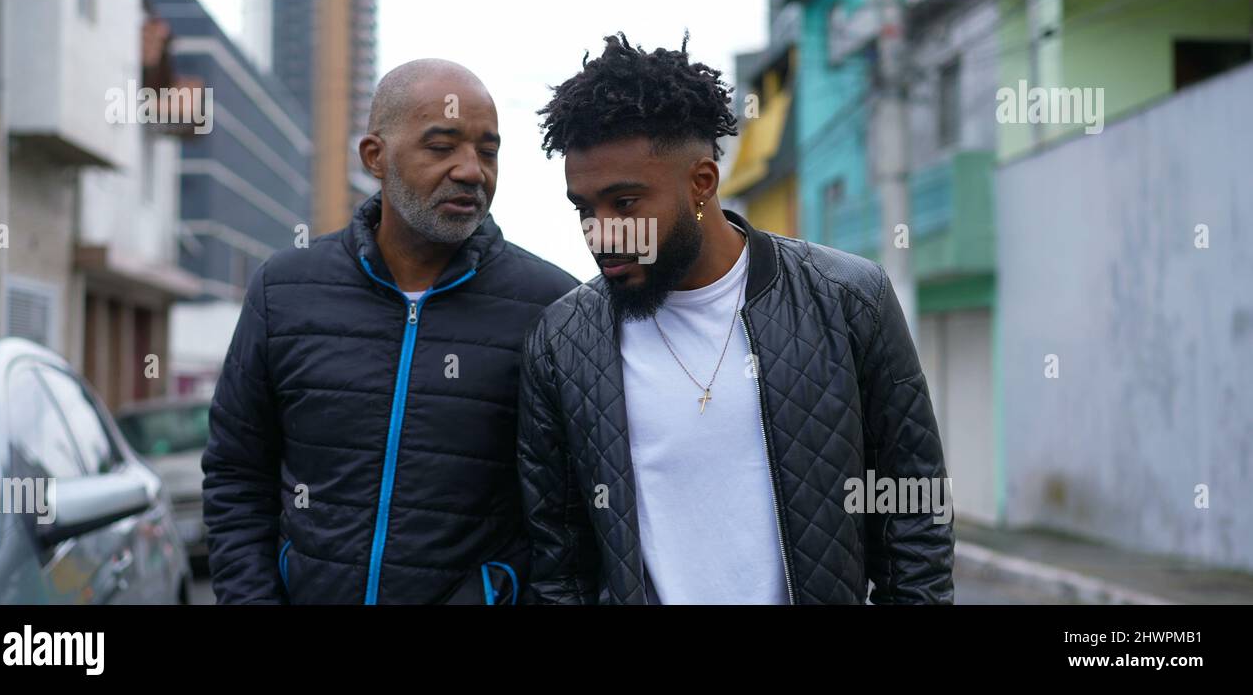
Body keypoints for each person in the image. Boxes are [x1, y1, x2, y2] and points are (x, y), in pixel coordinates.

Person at [517, 33, 954, 604]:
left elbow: (913, 515)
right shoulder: (563, 344)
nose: (600, 233)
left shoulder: (848, 300)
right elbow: (559, 561)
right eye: (584, 208)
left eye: (625, 204)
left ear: (702, 184)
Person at [204, 59, 577, 604]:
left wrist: (498, 591)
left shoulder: (551, 307)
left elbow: (565, 511)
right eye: (442, 146)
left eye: (488, 151)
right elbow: (236, 475)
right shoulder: (284, 290)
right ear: (375, 157)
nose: (472, 170)